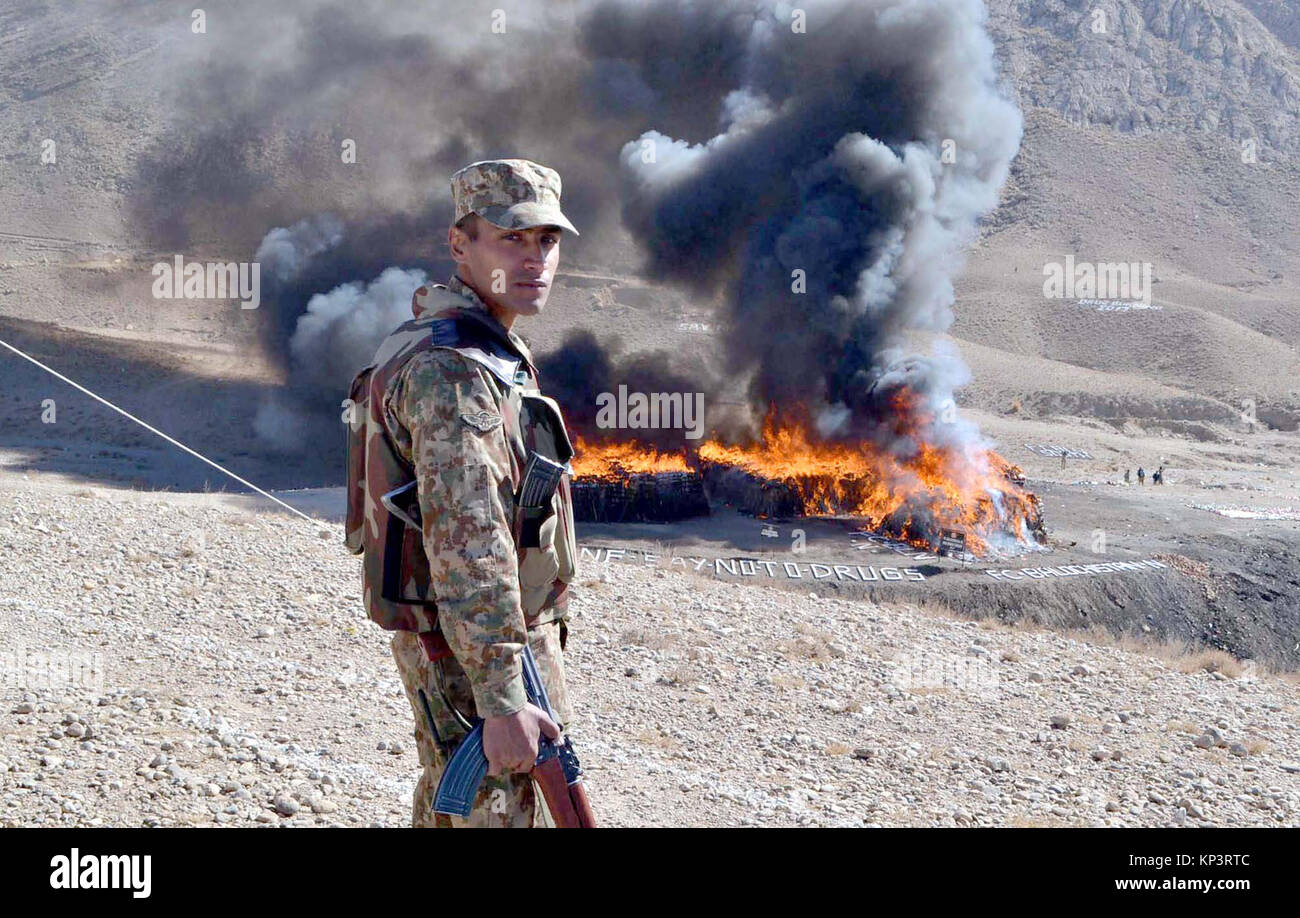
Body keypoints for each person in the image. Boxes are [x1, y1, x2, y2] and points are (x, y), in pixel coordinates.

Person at [346, 159, 582, 827]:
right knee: (492, 812)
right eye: (511, 238)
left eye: (547, 240)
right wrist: (503, 697)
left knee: (457, 810)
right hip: (471, 650)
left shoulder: (477, 347)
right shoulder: (453, 373)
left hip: (476, 644)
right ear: (461, 245)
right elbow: (469, 540)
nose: (534, 258)